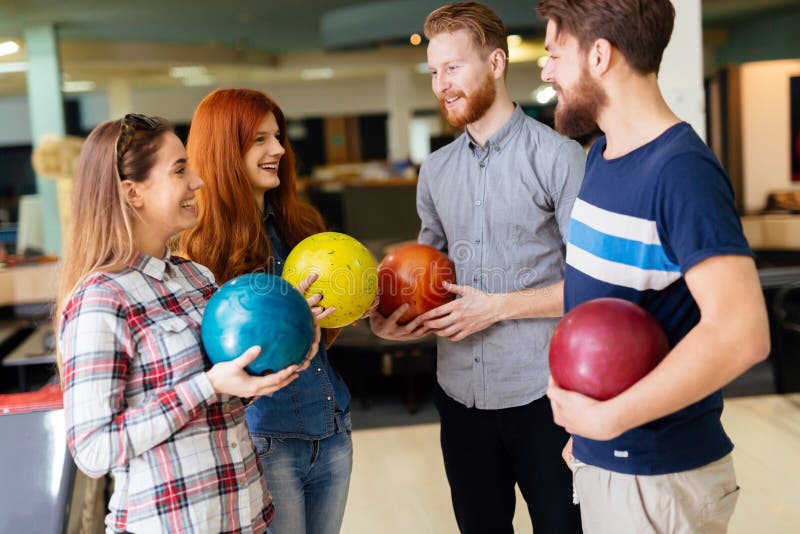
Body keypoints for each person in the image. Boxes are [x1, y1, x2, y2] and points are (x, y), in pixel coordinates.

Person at [536, 1, 771, 532]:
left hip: (659, 479)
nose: (545, 69)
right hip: (608, 461)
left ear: (599, 55)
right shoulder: (601, 155)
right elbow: (604, 313)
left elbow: (742, 335)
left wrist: (606, 419)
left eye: (554, 53)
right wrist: (590, 429)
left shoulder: (681, 172)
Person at [370, 3, 585, 533]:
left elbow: (594, 285)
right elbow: (424, 279)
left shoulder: (560, 158)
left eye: (454, 67)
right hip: (460, 396)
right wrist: (394, 320)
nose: (442, 84)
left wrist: (499, 308)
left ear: (495, 63)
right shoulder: (435, 172)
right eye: (434, 72)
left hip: (546, 397)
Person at [57, 113, 321, 534]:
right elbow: (93, 449)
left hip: (245, 517)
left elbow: (223, 402)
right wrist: (208, 385)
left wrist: (289, 342)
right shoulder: (102, 299)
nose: (198, 182)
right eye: (180, 169)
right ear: (132, 192)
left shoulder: (196, 277)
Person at [179, 89, 353, 534]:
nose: (277, 149)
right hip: (267, 441)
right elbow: (210, 367)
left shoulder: (302, 227)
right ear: (223, 151)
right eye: (259, 139)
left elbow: (317, 341)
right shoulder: (195, 254)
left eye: (277, 136)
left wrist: (348, 308)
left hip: (333, 427)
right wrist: (279, 312)